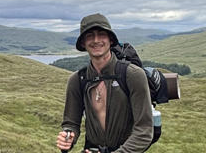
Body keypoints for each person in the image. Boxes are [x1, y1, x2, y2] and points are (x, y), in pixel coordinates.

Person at [56, 13, 153, 153]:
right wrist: (68, 136)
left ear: (111, 40)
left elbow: (144, 131)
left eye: (101, 34)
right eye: (89, 35)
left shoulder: (133, 75)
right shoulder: (77, 80)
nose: (96, 40)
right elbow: (71, 123)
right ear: (83, 43)